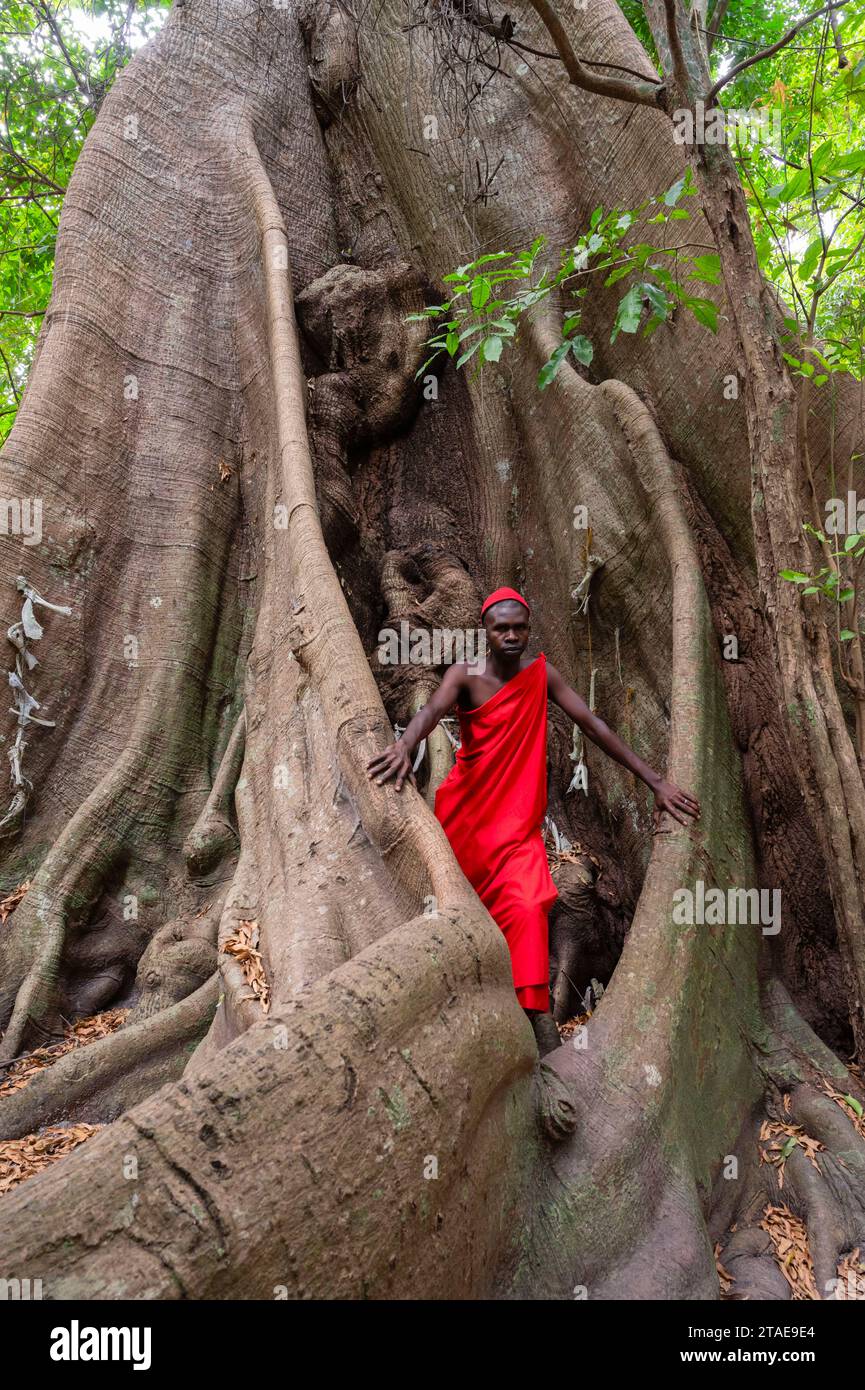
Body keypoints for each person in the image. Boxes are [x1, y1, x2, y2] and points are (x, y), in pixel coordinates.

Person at [366, 586, 700, 1054]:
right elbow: (430, 711)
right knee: (464, 916)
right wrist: (404, 745)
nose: (511, 635)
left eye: (519, 627)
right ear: (485, 630)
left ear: (528, 630)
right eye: (501, 627)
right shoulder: (465, 675)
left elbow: (594, 726)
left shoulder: (541, 676)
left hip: (517, 826)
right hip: (467, 821)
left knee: (527, 907)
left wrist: (657, 782)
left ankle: (537, 1022)